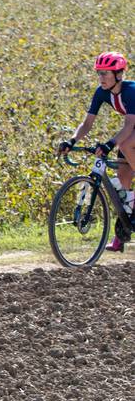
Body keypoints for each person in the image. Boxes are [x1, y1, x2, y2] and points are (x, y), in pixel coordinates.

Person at [56, 52, 133, 252]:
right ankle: (121, 237)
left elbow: (129, 124)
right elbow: (87, 123)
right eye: (99, 74)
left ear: (118, 75)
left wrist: (110, 144)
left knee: (124, 145)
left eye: (105, 74)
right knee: (123, 182)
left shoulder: (131, 91)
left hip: (132, 128)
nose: (101, 78)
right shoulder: (101, 92)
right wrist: (71, 141)